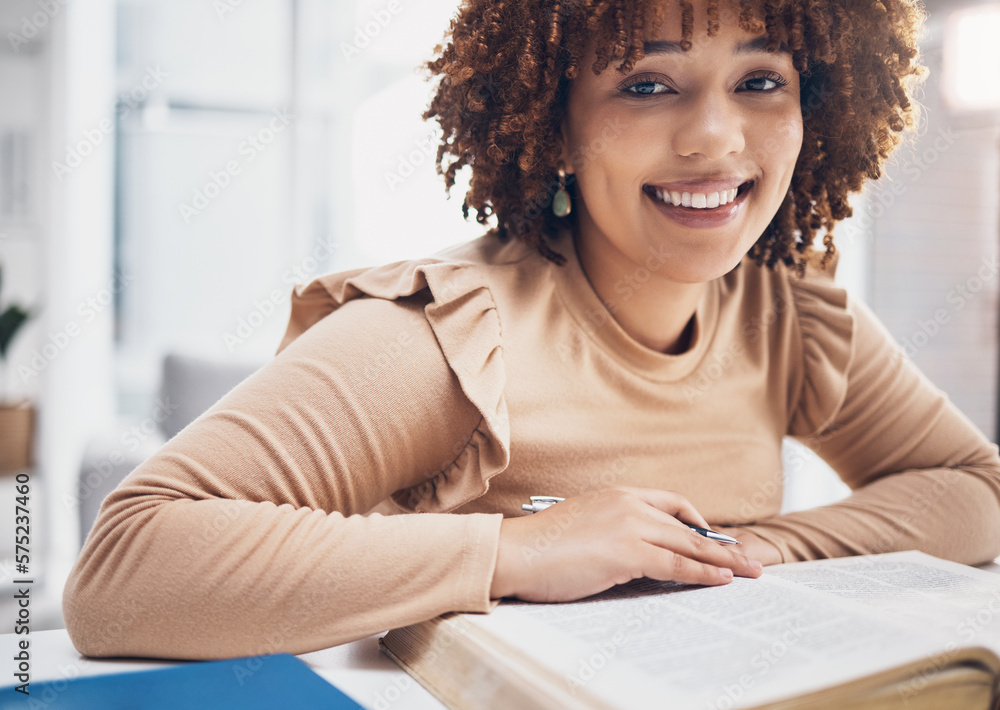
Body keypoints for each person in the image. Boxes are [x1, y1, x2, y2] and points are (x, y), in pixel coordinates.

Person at [63, 0, 1000, 661]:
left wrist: (747, 553)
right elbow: (126, 567)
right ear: (554, 123)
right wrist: (516, 553)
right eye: (646, 85)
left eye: (761, 79)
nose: (716, 138)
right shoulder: (450, 337)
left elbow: (976, 487)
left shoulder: (786, 309)